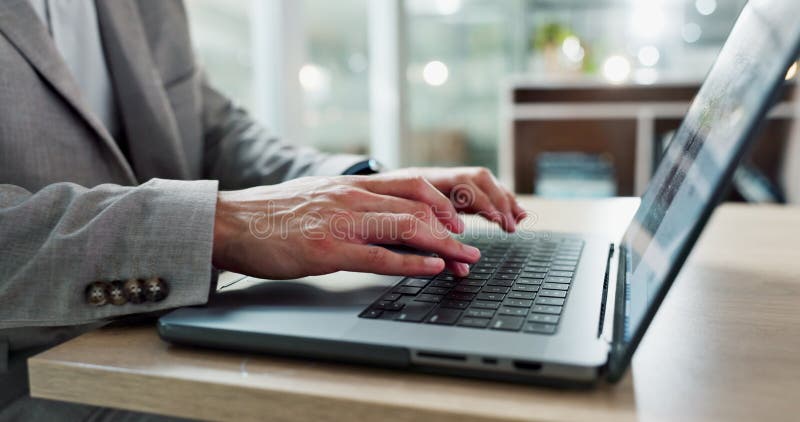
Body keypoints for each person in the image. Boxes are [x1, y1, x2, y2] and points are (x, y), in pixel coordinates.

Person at [0, 1, 525, 420]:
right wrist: (219, 224)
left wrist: (362, 186)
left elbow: (214, 132)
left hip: (167, 329)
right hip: (28, 371)